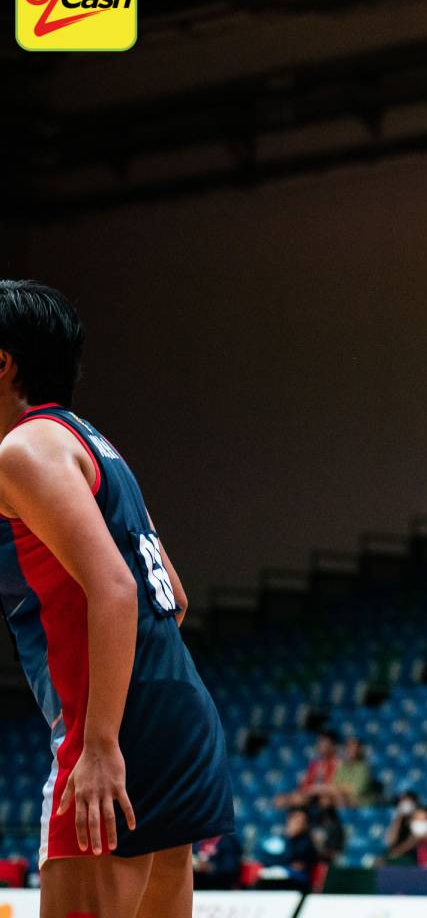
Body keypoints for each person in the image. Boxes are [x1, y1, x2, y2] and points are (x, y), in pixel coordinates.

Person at [0, 281, 235, 918]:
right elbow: (174, 598)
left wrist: (101, 743)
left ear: (3, 361)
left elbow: (116, 587)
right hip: (177, 712)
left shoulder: (24, 449)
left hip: (116, 728)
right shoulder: (92, 443)